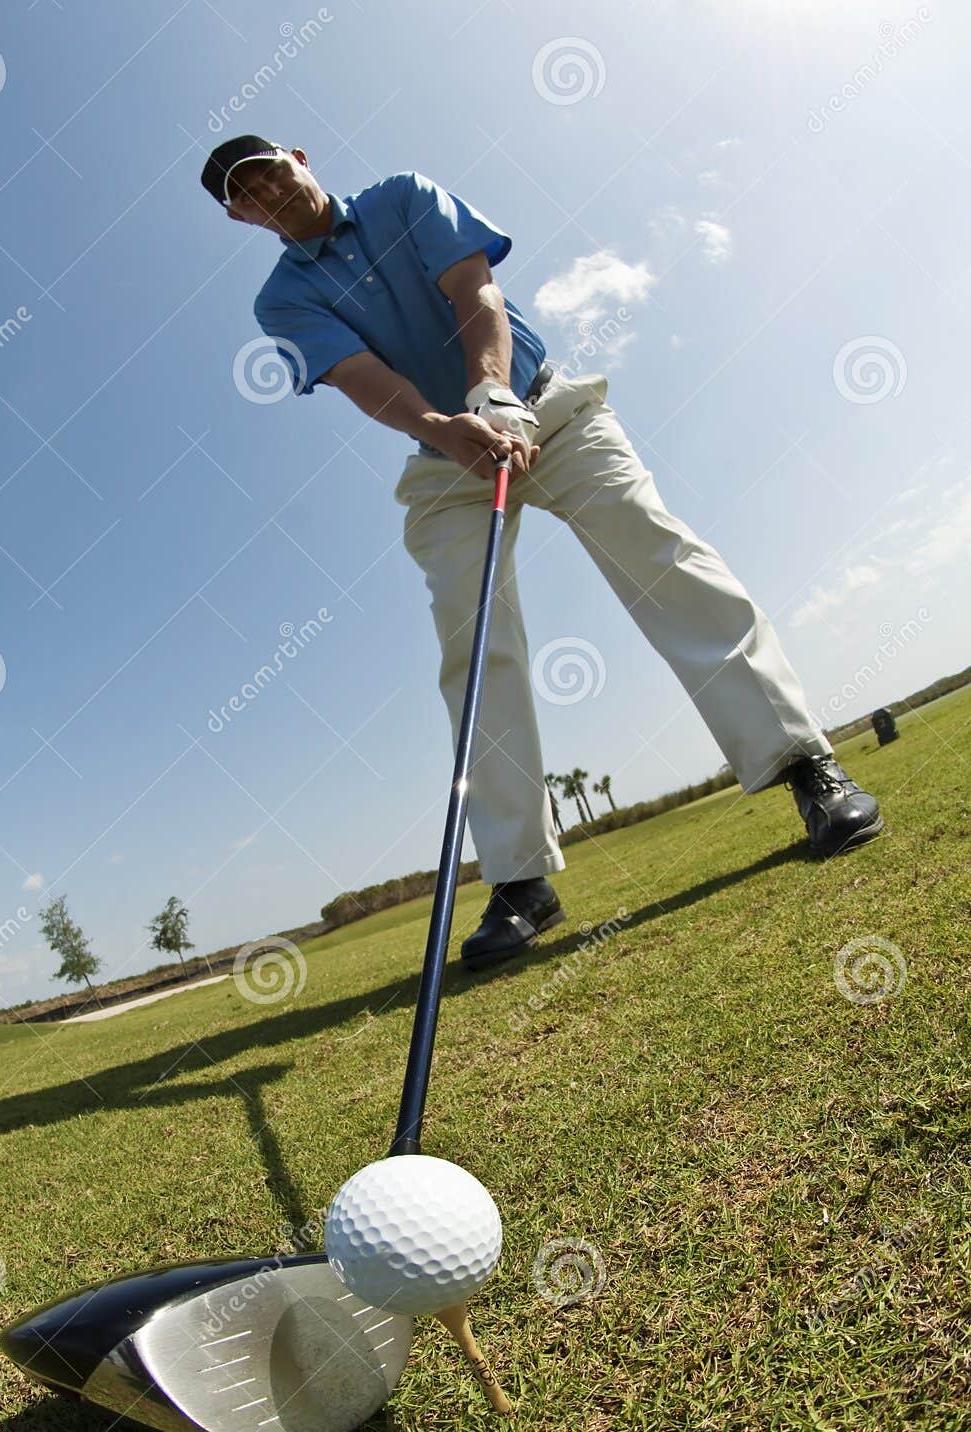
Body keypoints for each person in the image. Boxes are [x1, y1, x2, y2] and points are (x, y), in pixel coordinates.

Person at [200, 136, 883, 970]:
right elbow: (358, 376)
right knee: (472, 643)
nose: (266, 188)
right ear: (240, 216)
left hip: (543, 409)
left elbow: (472, 289)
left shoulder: (402, 194)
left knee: (660, 556)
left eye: (267, 166)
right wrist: (446, 428)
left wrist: (489, 392)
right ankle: (523, 880)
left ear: (299, 158)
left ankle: (806, 766)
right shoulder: (282, 298)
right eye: (245, 191)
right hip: (444, 457)